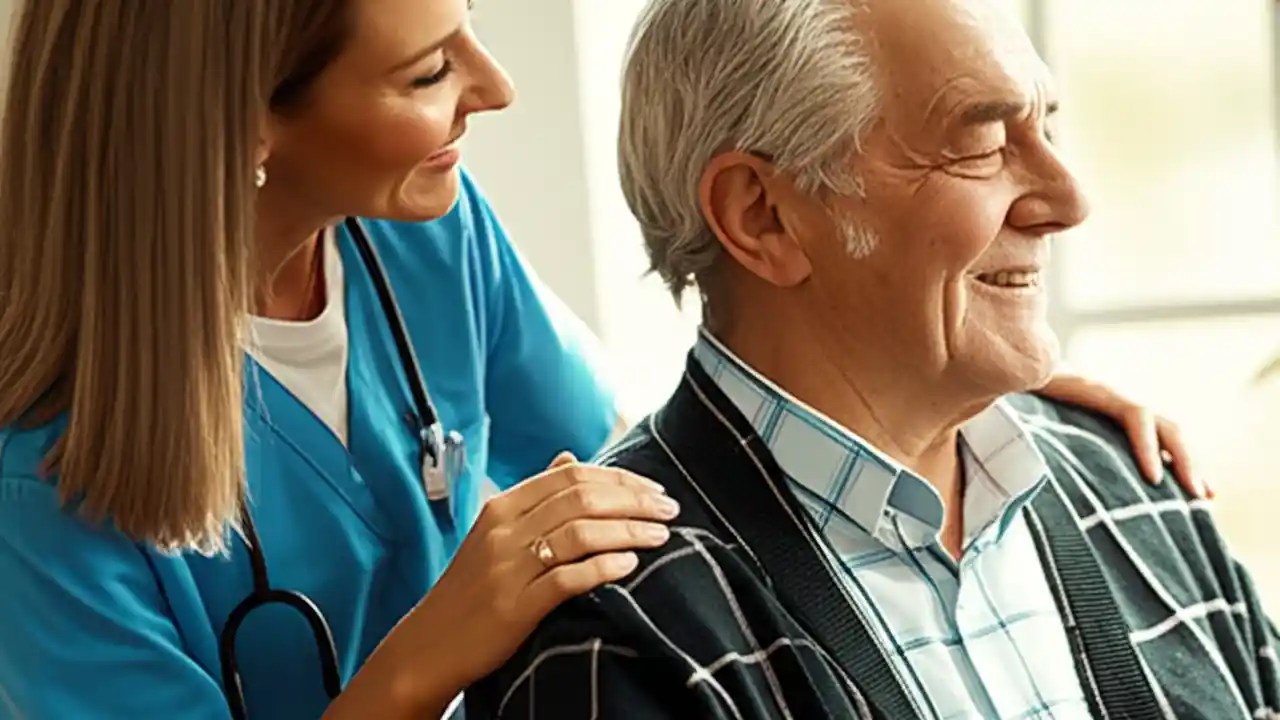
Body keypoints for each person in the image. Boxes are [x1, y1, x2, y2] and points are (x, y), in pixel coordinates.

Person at [0, 1, 1206, 719]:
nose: (497, 84)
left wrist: (941, 372)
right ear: (245, 120)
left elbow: (666, 468)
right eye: (427, 72)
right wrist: (425, 657)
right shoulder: (32, 483)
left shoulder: (419, 241)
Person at [468, 0, 1280, 718]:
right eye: (984, 145)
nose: (1068, 199)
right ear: (764, 217)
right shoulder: (617, 630)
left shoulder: (1131, 482)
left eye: (1047, 130)